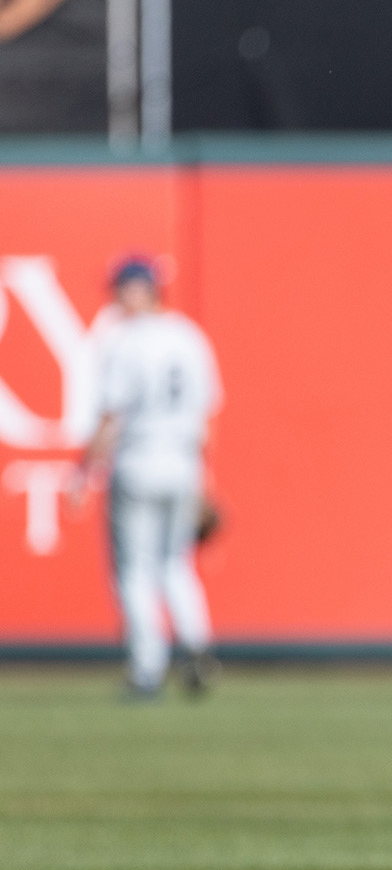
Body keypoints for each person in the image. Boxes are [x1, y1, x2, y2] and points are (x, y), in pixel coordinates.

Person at [74, 256, 223, 700]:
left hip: (139, 460)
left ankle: (147, 668)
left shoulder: (125, 341)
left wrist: (83, 473)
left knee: (135, 572)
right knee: (175, 562)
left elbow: (109, 415)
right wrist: (205, 477)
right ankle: (196, 646)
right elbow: (206, 417)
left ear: (140, 289)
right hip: (182, 463)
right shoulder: (189, 336)